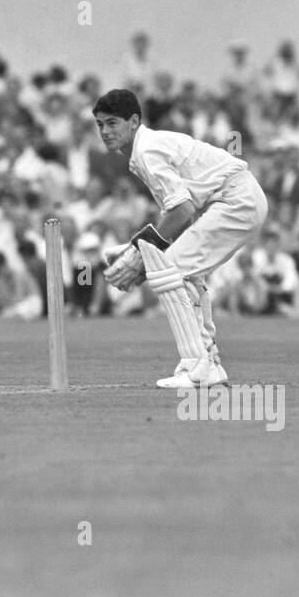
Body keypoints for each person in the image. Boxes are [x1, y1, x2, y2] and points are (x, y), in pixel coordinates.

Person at [94, 88, 268, 388]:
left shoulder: (147, 151)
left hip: (235, 198)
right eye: (100, 125)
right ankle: (209, 364)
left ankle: (196, 366)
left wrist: (139, 257)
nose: (105, 131)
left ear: (134, 121)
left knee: (172, 270)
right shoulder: (145, 150)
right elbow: (176, 218)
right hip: (235, 199)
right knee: (185, 272)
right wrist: (134, 250)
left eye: (112, 123)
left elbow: (183, 211)